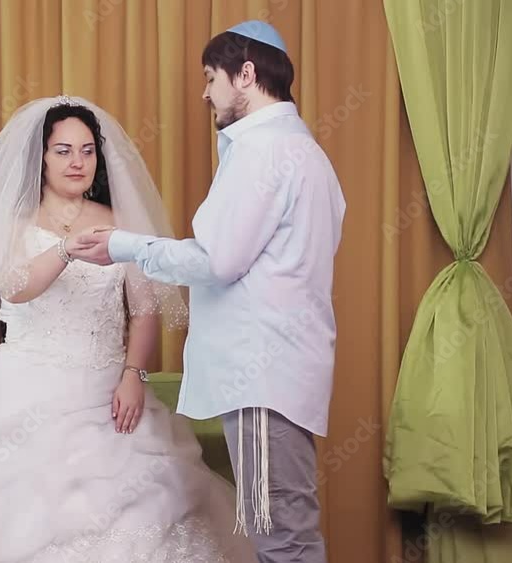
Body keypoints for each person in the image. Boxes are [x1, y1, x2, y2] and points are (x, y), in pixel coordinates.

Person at [0, 95, 257, 563]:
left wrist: (133, 375)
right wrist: (64, 250)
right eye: (62, 150)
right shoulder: (13, 224)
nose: (76, 162)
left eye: (86, 150)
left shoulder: (118, 224)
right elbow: (14, 290)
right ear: (39, 157)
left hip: (107, 389)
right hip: (28, 386)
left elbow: (144, 310)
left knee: (151, 504)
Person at [73, 21, 345, 563]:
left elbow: (216, 260)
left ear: (246, 74)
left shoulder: (262, 152)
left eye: (211, 78)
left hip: (262, 373)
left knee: (283, 540)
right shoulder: (304, 151)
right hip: (279, 370)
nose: (205, 93)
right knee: (284, 531)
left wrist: (125, 245)